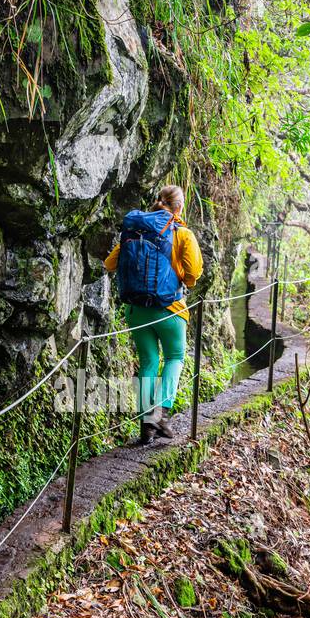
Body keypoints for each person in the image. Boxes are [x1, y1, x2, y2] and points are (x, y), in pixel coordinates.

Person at [104, 184, 203, 445]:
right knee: (175, 357)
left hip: (136, 310)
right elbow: (193, 275)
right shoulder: (182, 233)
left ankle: (146, 425)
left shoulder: (133, 231)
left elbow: (110, 264)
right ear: (179, 207)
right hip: (169, 308)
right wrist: (177, 276)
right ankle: (161, 413)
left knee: (148, 361)